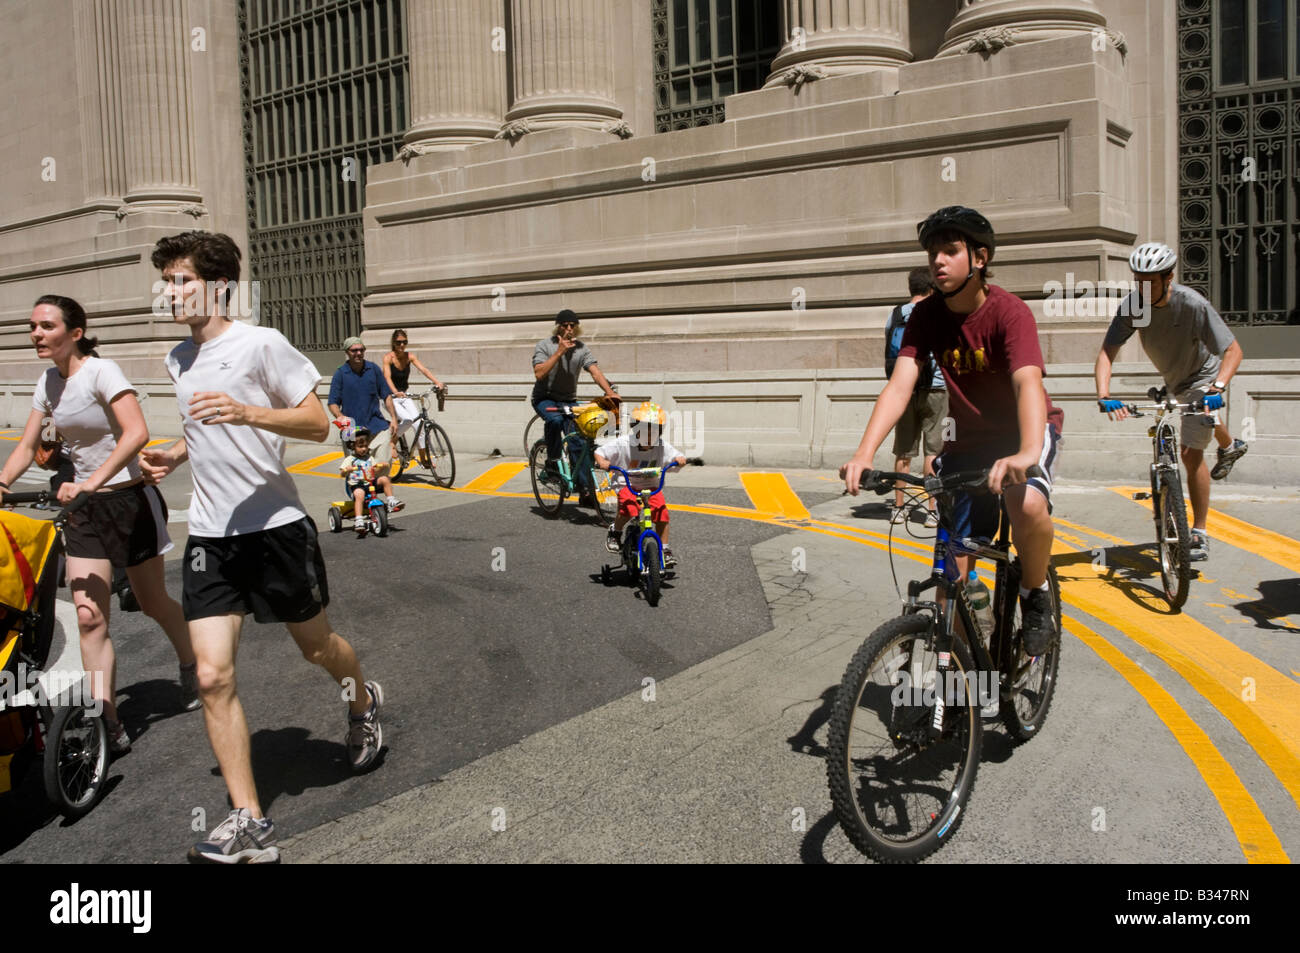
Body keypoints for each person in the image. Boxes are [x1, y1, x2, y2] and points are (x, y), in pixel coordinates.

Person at [138, 231, 385, 864]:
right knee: (214, 674)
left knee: (317, 648)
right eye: (167, 281)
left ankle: (360, 700)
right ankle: (249, 821)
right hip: (212, 539)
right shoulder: (177, 358)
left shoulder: (261, 343)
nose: (173, 292)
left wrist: (249, 412)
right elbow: (204, 425)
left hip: (275, 529)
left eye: (182, 279)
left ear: (218, 284)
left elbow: (315, 421)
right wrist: (175, 448)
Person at [840, 206, 1064, 657]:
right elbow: (900, 385)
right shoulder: (926, 317)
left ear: (979, 258)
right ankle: (958, 679)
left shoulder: (1009, 312)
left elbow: (1027, 383)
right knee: (954, 575)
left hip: (1024, 433)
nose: (937, 261)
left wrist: (1025, 452)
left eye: (950, 251)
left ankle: (1034, 594)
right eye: (932, 254)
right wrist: (864, 454)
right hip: (966, 445)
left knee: (1027, 503)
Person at [0, 295, 198, 756]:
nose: (36, 334)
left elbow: (137, 433)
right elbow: (28, 445)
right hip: (84, 511)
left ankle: (190, 662)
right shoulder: (48, 382)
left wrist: (89, 480)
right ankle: (106, 721)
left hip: (129, 503)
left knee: (153, 602)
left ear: (74, 332)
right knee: (90, 618)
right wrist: (3, 480)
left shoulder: (101, 372)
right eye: (32, 326)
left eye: (46, 326)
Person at [1095, 242, 1247, 562]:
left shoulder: (1193, 304)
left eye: (1150, 280)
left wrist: (1218, 387)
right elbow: (1107, 352)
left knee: (1191, 454)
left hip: (1203, 378)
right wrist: (1104, 394)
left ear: (1168, 277)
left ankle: (1200, 532)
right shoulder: (1133, 307)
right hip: (1172, 380)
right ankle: (1230, 445)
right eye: (1138, 280)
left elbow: (1233, 351)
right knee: (1199, 420)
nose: (1143, 287)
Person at [532, 309, 620, 506]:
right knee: (554, 420)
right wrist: (560, 351)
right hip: (544, 399)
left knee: (579, 441)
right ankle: (553, 464)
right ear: (558, 327)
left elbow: (595, 373)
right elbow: (539, 374)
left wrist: (610, 393)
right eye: (565, 325)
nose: (569, 329)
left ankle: (585, 491)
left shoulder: (581, 349)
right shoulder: (544, 346)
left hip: (568, 401)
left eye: (573, 325)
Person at [884, 266, 947, 528]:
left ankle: (899, 508)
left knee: (903, 452)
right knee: (933, 452)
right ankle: (932, 511)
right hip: (936, 388)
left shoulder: (896, 314)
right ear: (932, 287)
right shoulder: (937, 311)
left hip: (905, 389)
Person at [595, 402, 686, 569]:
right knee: (629, 509)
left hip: (651, 487)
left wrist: (679, 461)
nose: (649, 435)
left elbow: (677, 456)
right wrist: (603, 462)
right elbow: (600, 452)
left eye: (654, 430)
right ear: (635, 429)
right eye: (644, 430)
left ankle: (664, 550)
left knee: (662, 514)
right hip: (627, 484)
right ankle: (615, 531)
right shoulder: (623, 443)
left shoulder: (661, 446)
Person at [329, 336, 402, 512]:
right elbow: (332, 402)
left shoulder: (373, 369)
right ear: (347, 353)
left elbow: (386, 395)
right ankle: (362, 497)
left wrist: (393, 418)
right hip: (354, 432)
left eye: (361, 350)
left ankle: (381, 497)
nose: (358, 353)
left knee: (382, 463)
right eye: (354, 350)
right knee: (355, 470)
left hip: (377, 427)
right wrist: (339, 416)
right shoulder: (341, 373)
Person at [380, 329, 445, 445]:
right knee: (408, 420)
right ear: (393, 343)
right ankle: (391, 443)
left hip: (404, 395)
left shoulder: (409, 356)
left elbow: (423, 369)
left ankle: (425, 461)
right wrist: (395, 392)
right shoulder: (388, 358)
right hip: (390, 397)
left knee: (419, 424)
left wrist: (437, 382)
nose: (402, 345)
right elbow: (387, 378)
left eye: (405, 342)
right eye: (399, 342)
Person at [339, 427, 402, 536]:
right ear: (352, 446)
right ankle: (359, 520)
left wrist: (381, 467)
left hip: (370, 483)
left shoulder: (369, 458)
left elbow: (374, 469)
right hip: (357, 486)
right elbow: (342, 473)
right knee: (360, 494)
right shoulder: (350, 459)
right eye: (360, 446)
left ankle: (391, 500)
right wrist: (347, 470)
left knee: (385, 479)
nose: (364, 449)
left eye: (365, 446)